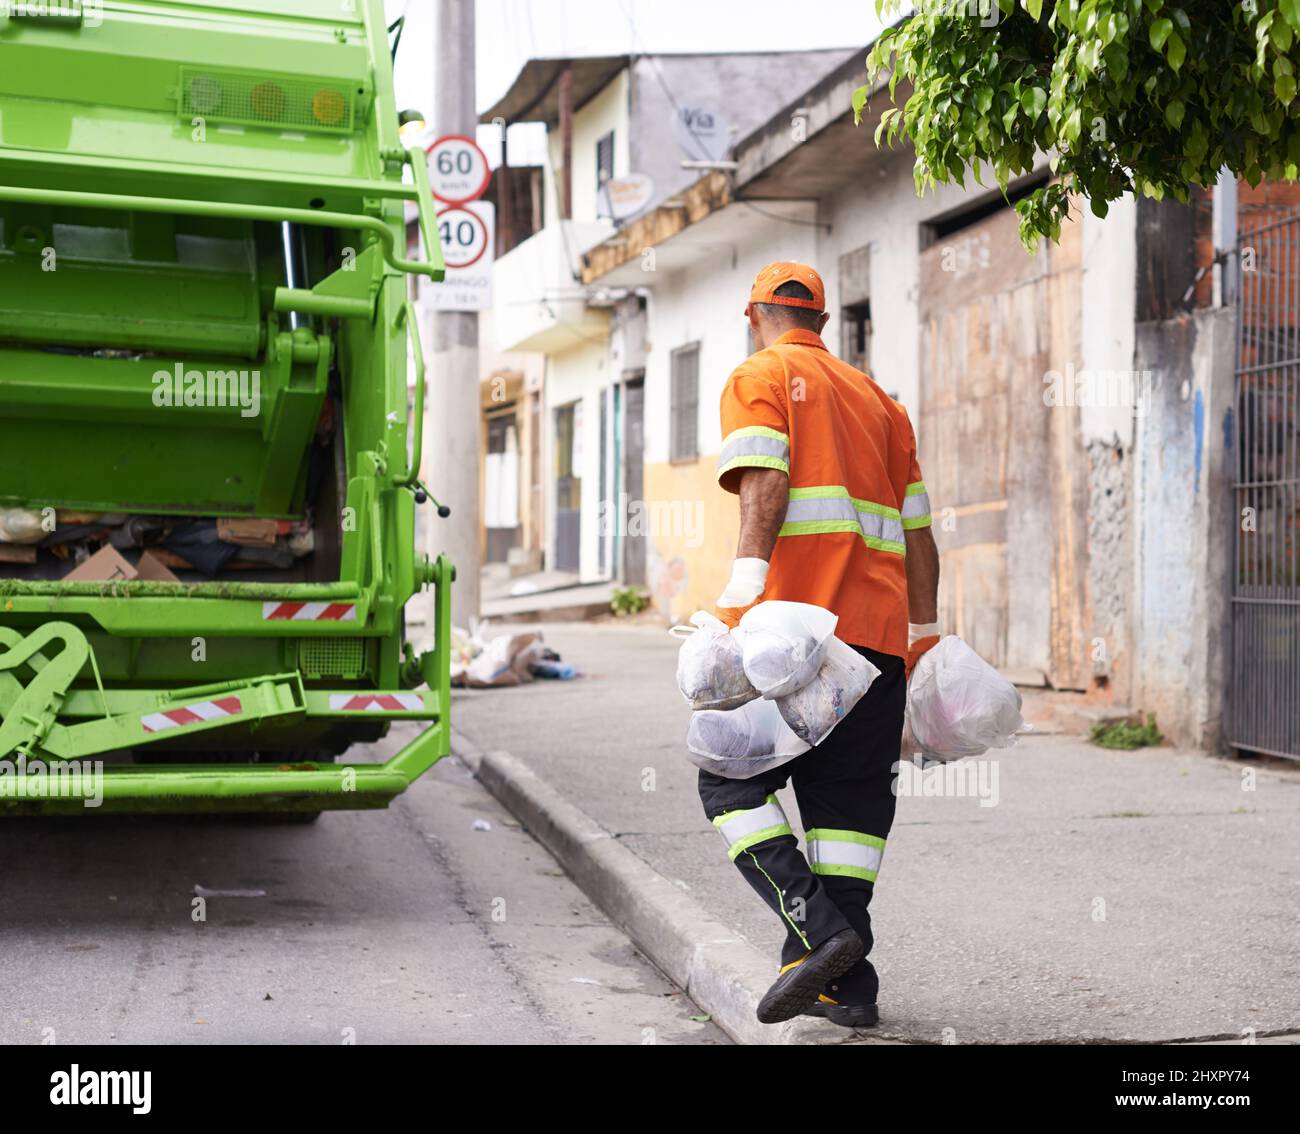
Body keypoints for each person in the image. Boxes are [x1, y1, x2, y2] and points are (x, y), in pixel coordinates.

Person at [702, 261, 941, 1027]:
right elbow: (919, 535)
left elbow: (764, 480)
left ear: (754, 315)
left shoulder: (759, 374)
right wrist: (926, 635)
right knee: (847, 813)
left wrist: (744, 581)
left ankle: (819, 931)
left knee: (727, 779)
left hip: (793, 642)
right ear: (825, 323)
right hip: (877, 646)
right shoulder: (883, 404)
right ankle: (848, 984)